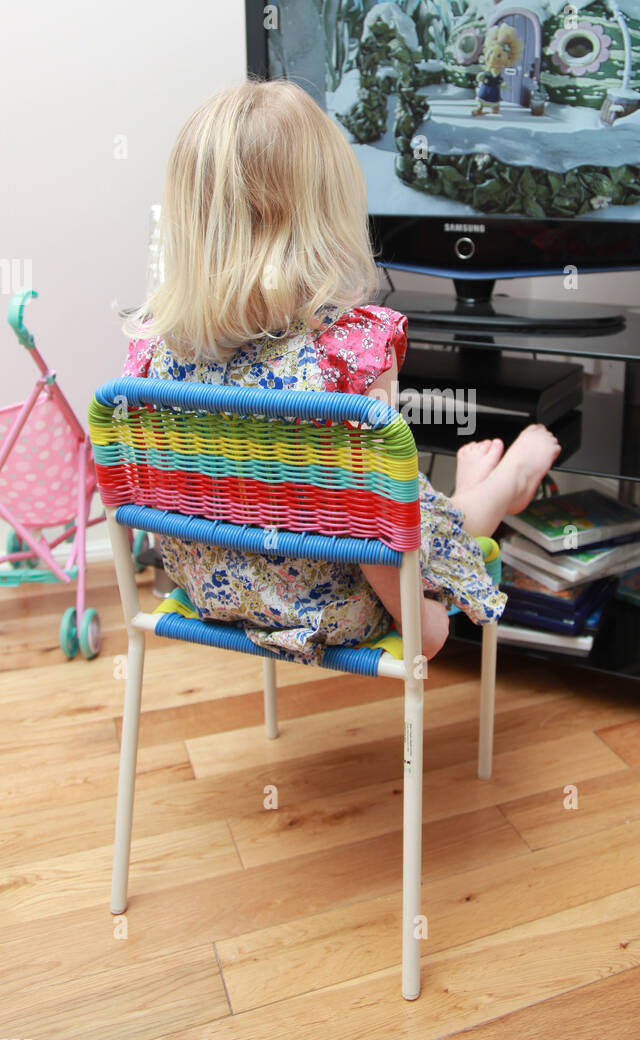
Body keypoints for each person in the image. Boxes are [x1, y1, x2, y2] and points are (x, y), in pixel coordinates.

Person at [122, 80, 561, 662]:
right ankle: (504, 486)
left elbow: (157, 502)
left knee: (411, 508)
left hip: (213, 590)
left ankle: (475, 491)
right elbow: (369, 520)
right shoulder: (348, 352)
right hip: (335, 608)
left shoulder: (151, 352)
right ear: (328, 211)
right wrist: (423, 623)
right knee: (431, 519)